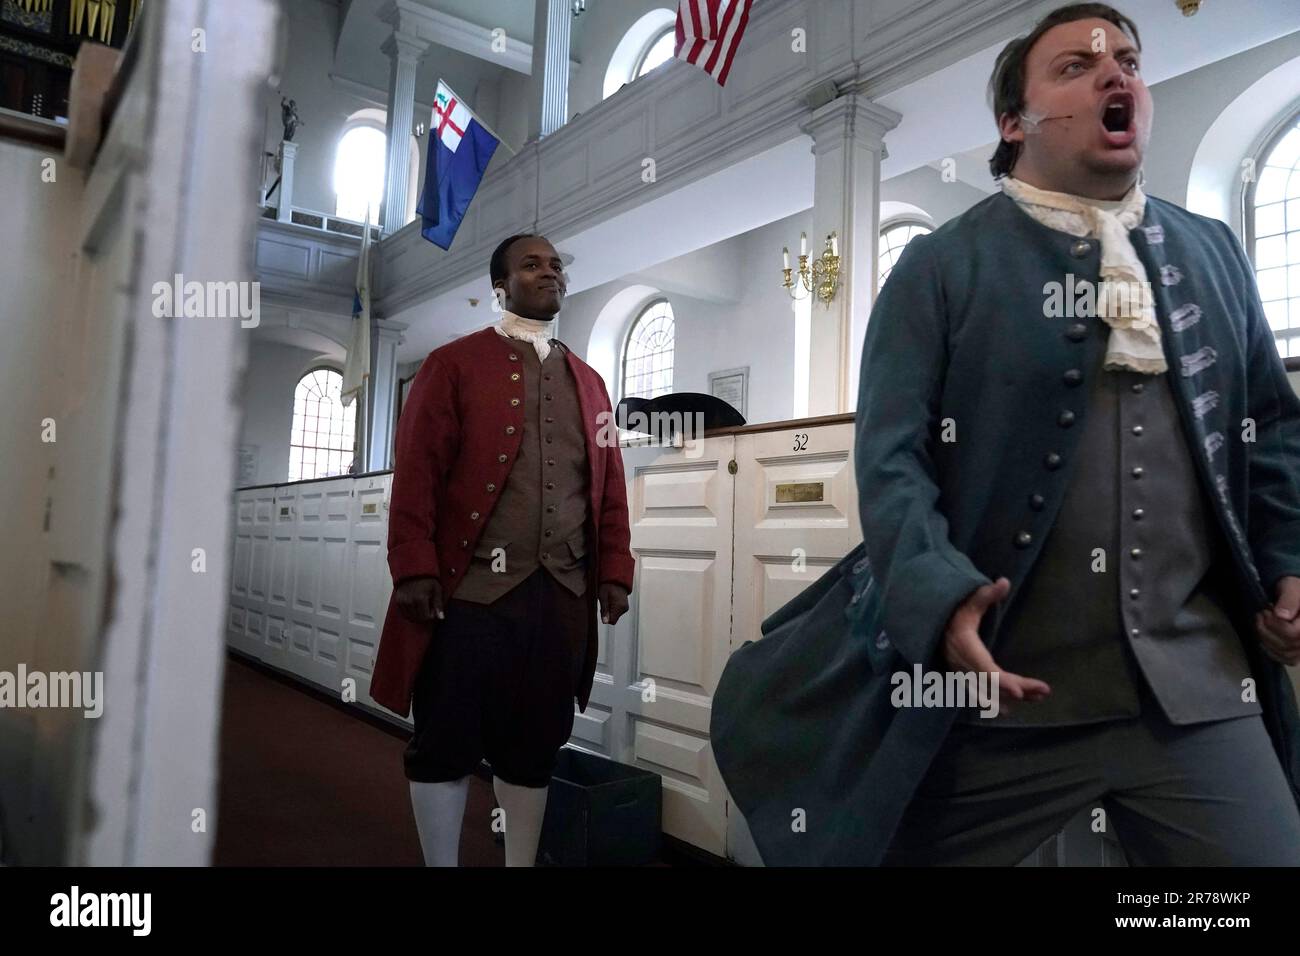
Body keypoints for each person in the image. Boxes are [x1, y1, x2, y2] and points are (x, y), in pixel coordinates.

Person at [711, 2, 1300, 866]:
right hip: (995, 693)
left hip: (1198, 686)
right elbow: (892, 460)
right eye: (1075, 66)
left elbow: (1272, 433)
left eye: (1128, 61)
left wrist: (1290, 559)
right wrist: (937, 596)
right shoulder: (941, 265)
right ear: (1012, 122)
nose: (1116, 75)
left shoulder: (1213, 250)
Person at [369, 234, 634, 866]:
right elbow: (418, 471)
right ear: (500, 285)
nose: (550, 272)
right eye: (532, 264)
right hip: (469, 596)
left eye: (556, 265)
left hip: (561, 596)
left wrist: (615, 572)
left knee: (535, 745)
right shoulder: (452, 364)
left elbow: (609, 488)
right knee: (446, 739)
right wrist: (413, 566)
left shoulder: (593, 385)